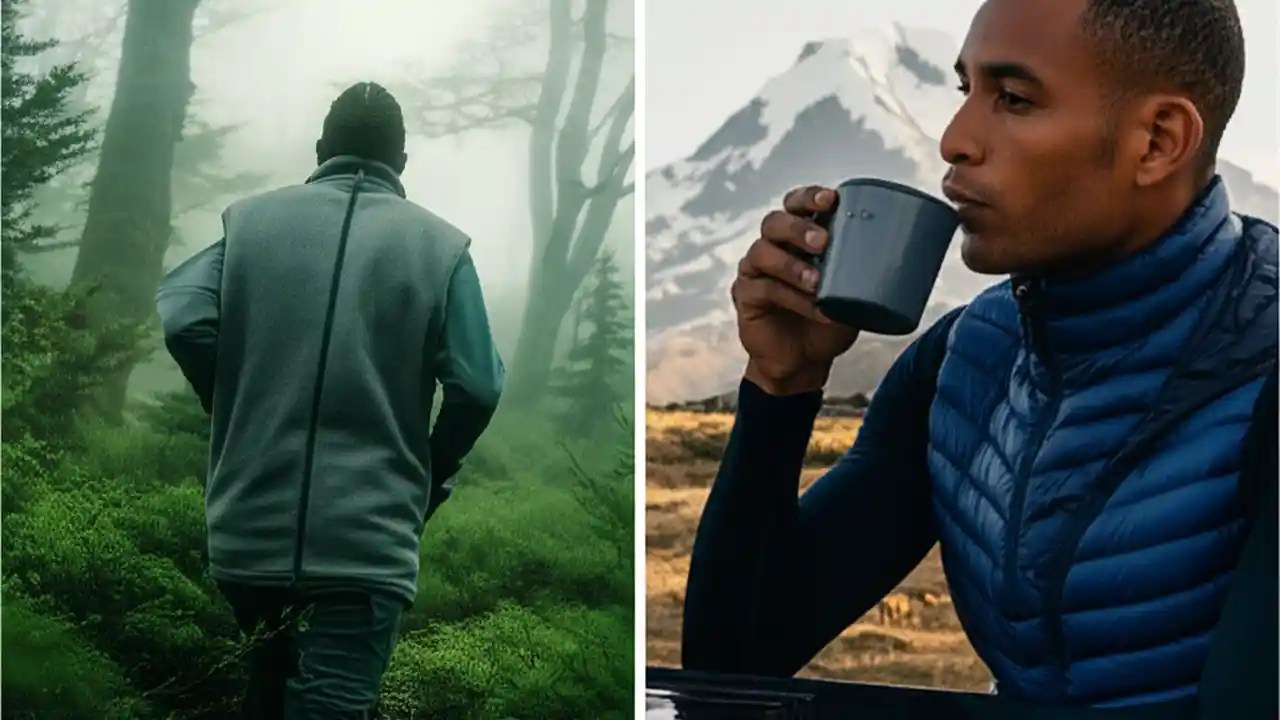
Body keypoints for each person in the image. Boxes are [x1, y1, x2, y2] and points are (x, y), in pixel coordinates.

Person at [681, 0, 1276, 714]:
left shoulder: (1263, 370)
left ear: (1157, 140)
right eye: (966, 91)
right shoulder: (966, 361)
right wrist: (783, 383)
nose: (955, 140)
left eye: (1015, 100)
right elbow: (732, 665)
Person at [155, 81, 504, 718]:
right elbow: (478, 387)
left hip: (248, 522)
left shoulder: (249, 221)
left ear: (319, 150)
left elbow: (183, 317)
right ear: (402, 161)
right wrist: (427, 475)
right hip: (368, 538)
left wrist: (231, 406)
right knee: (334, 706)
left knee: (265, 694)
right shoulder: (443, 247)